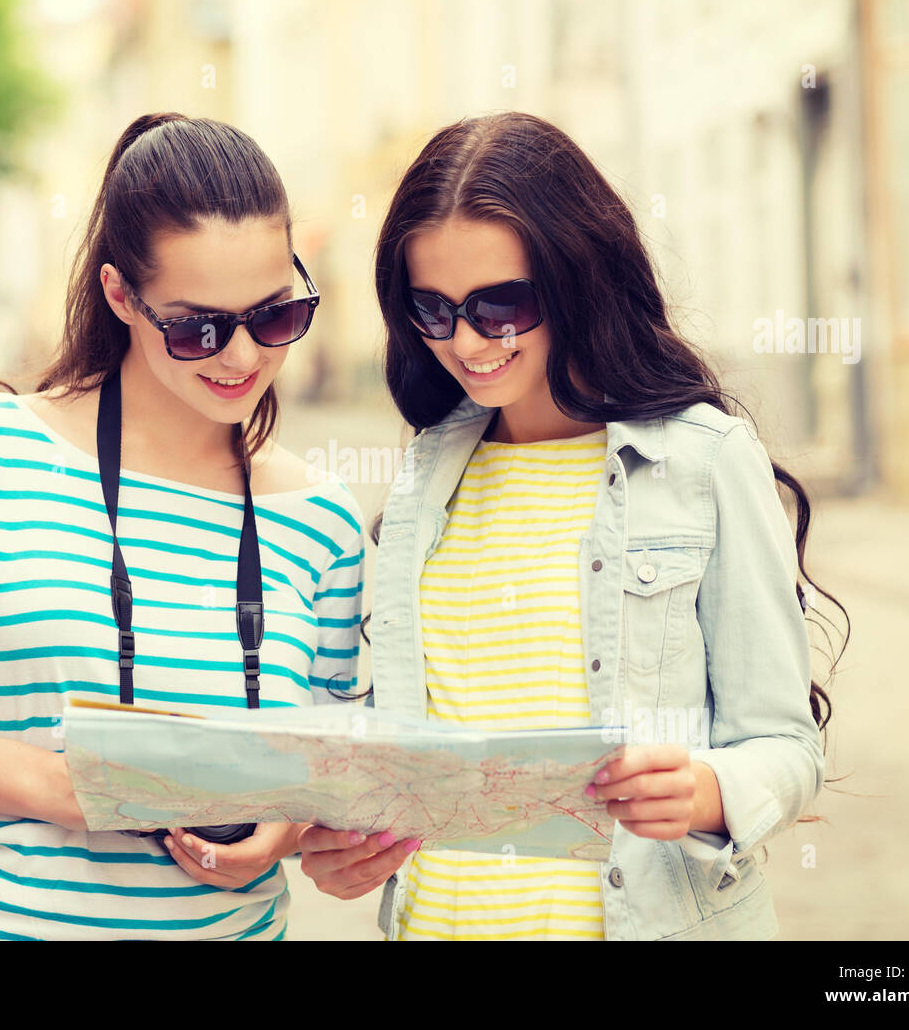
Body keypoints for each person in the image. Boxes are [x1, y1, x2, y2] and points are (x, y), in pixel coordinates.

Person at [298, 111, 847, 941]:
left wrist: (703, 790)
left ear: (575, 278)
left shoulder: (703, 460)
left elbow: (784, 745)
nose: (468, 341)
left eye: (501, 305)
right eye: (433, 310)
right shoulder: (421, 478)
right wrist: (346, 844)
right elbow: (411, 748)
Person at [0, 112, 365, 940]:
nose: (244, 356)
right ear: (120, 295)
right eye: (198, 327)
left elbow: (329, 766)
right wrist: (62, 787)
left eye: (276, 315)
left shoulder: (323, 518)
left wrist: (284, 828)